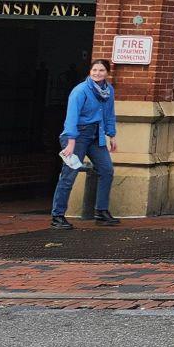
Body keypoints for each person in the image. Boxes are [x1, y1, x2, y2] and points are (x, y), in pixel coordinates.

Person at [52, 59, 119, 228]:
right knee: (69, 175)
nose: (97, 73)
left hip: (97, 135)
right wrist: (71, 142)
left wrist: (112, 135)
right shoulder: (80, 90)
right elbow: (71, 117)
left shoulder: (108, 90)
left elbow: (109, 114)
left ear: (107, 73)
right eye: (94, 70)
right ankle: (57, 216)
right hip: (77, 136)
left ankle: (101, 212)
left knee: (107, 170)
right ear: (90, 71)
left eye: (101, 70)